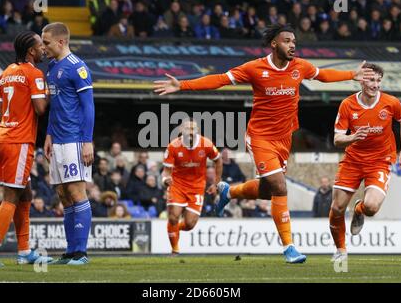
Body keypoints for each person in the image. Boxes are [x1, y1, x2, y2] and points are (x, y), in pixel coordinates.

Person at [154, 23, 374, 263]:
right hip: (260, 138)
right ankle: (289, 247)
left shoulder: (300, 66)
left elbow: (323, 75)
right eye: (287, 41)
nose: (292, 45)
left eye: (294, 42)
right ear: (274, 44)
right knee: (280, 187)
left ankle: (231, 191)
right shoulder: (255, 68)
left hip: (284, 139)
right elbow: (220, 79)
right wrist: (182, 85)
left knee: (268, 190)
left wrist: (351, 75)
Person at [0, 31, 52, 267]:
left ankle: (24, 251)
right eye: (41, 46)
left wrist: (9, 125)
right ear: (31, 51)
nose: (43, 49)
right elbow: (40, 108)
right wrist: (52, 91)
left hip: (2, 137)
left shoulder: (6, 73)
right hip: (19, 142)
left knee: (26, 193)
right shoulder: (35, 73)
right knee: (11, 196)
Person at [330, 63, 401, 262]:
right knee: (337, 208)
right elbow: (337, 139)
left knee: (372, 207)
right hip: (352, 161)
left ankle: (359, 209)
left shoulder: (390, 102)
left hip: (380, 161)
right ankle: (341, 250)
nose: (375, 85)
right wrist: (354, 137)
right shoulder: (347, 105)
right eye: (371, 80)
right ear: (361, 81)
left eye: (378, 81)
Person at [42, 22, 95, 265]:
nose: (43, 48)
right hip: (58, 139)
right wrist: (49, 134)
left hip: (75, 140)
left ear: (61, 42)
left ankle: (81, 253)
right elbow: (54, 107)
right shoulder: (51, 67)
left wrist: (87, 141)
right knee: (63, 194)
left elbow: (88, 107)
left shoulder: (78, 67)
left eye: (46, 43)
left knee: (76, 192)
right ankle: (70, 251)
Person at [161, 119, 222, 255]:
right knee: (173, 216)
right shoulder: (173, 146)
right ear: (182, 130)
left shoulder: (206, 144)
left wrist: (216, 183)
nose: (191, 131)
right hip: (177, 185)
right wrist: (165, 180)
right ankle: (175, 250)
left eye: (193, 129)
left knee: (189, 224)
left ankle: (173, 229)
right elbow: (166, 170)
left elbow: (218, 160)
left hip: (197, 187)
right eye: (188, 128)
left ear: (197, 131)